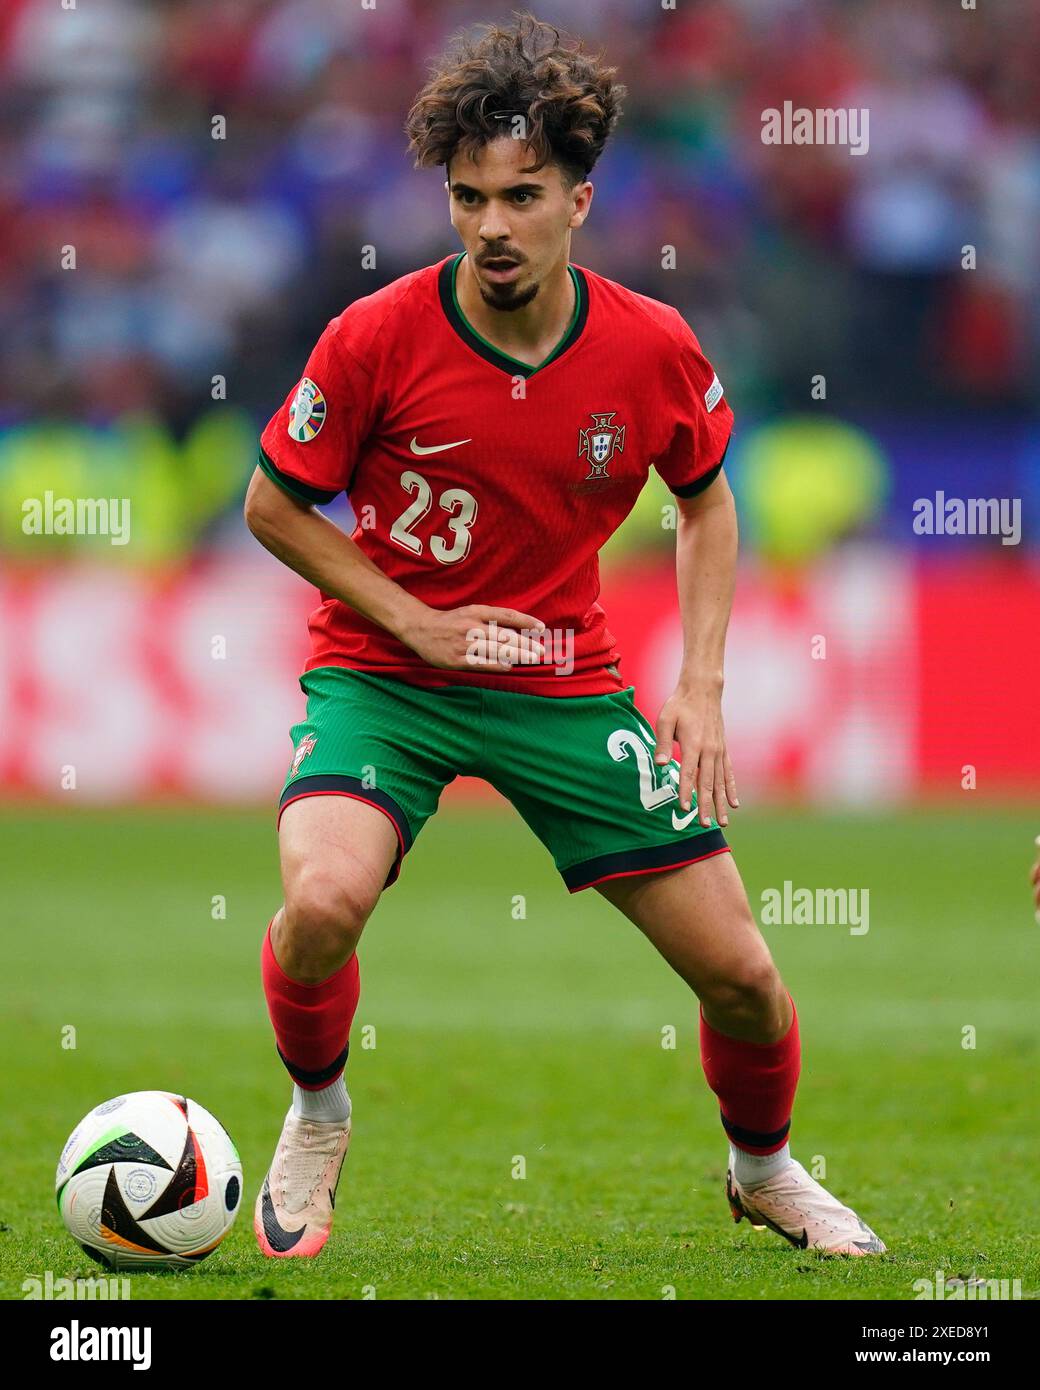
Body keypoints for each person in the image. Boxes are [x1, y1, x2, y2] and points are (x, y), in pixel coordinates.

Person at [244, 12, 884, 1260]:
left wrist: (698, 682)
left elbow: (704, 496)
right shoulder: (375, 335)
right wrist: (415, 622)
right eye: (468, 197)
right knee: (320, 900)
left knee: (745, 980)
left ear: (578, 201)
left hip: (560, 681)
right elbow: (273, 503)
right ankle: (317, 1113)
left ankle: (763, 1171)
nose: (490, 225)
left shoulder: (647, 348)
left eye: (521, 196)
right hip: (388, 674)